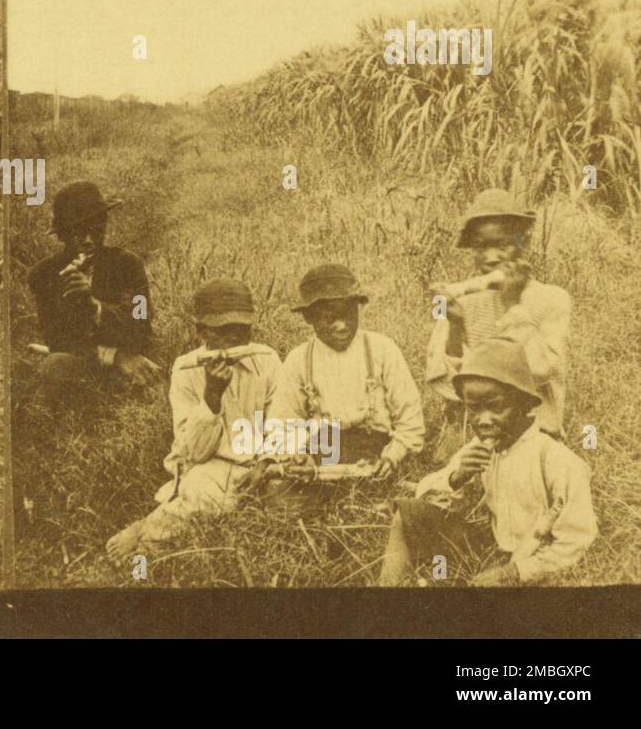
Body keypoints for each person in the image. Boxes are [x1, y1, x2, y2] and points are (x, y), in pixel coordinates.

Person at [379, 337, 596, 586]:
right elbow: (425, 490)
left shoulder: (557, 460)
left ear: (525, 404)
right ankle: (385, 595)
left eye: (495, 407)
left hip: (534, 558)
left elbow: (577, 540)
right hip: (491, 551)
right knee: (409, 514)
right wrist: (457, 476)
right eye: (474, 409)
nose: (483, 419)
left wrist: (514, 573)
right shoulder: (483, 448)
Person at [106, 279, 280, 561]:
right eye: (223, 331)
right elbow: (196, 451)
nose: (235, 338)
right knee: (204, 497)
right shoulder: (186, 370)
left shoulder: (268, 360)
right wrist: (212, 395)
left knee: (282, 498)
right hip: (211, 463)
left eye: (243, 330)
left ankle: (160, 521)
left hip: (259, 463)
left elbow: (279, 422)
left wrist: (266, 461)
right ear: (201, 331)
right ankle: (148, 531)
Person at [425, 189, 569, 452]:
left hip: (536, 436)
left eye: (503, 246)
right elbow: (448, 387)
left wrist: (512, 305)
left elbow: (539, 370)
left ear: (522, 244)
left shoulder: (552, 299)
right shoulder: (464, 301)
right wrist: (456, 327)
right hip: (478, 439)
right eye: (481, 247)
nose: (490, 258)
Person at [268, 264, 424, 481]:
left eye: (348, 315)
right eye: (329, 318)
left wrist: (392, 456)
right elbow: (281, 424)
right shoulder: (298, 360)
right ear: (309, 318)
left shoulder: (382, 349)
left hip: (376, 457)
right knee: (280, 498)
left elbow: (410, 418)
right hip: (320, 460)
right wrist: (298, 456)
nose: (341, 326)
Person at [25, 180, 158, 404]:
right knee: (53, 366)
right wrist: (115, 357)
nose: (88, 241)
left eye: (96, 230)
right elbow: (57, 341)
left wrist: (94, 306)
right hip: (87, 366)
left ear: (104, 226)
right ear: (62, 236)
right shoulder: (45, 276)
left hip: (130, 367)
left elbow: (141, 327)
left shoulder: (129, 265)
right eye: (78, 233)